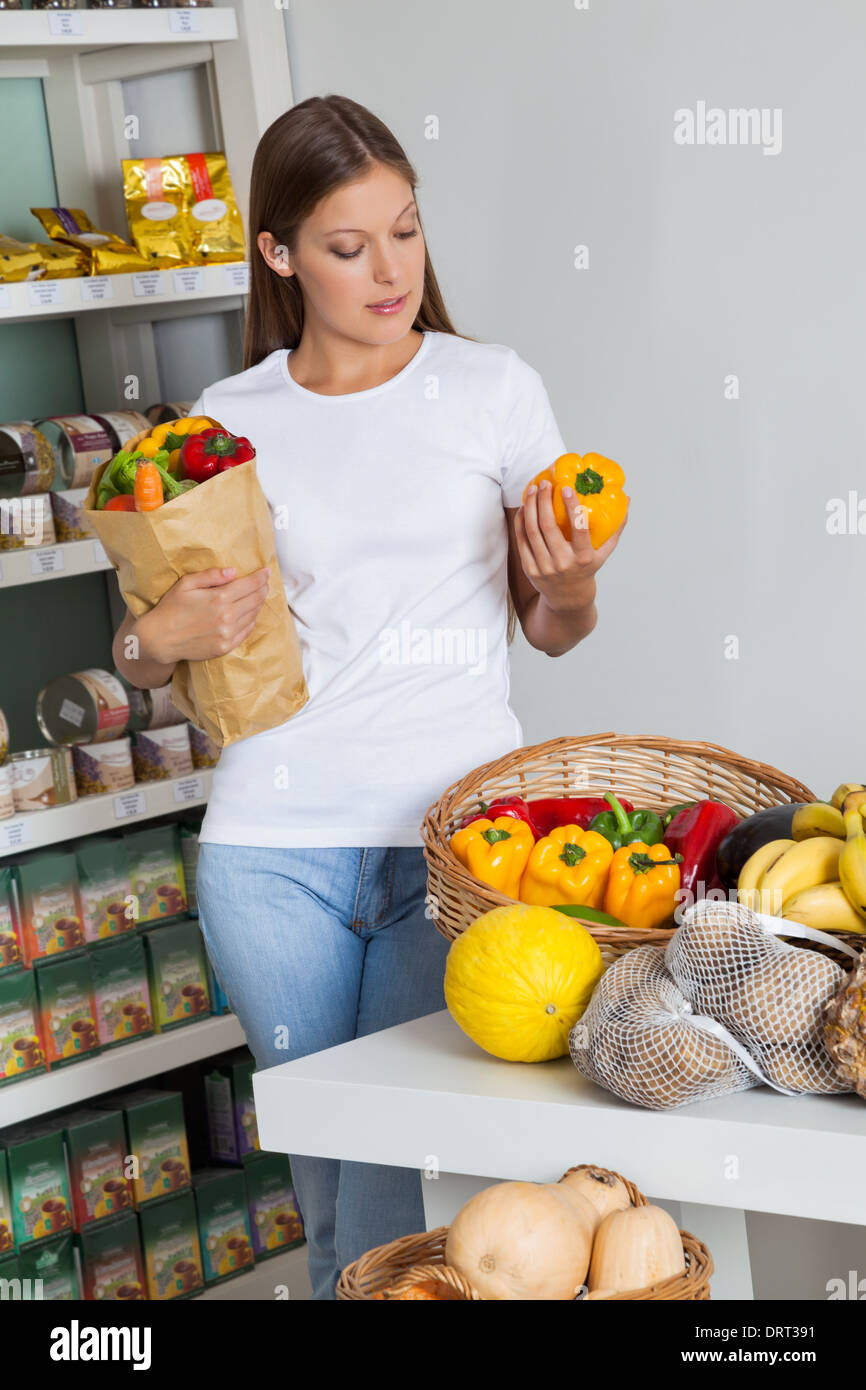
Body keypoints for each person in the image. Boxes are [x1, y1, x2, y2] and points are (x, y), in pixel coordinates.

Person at [112, 94, 627, 1300]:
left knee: (404, 1196)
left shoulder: (492, 390)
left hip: (446, 846)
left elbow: (551, 632)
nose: (389, 271)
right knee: (329, 1196)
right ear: (279, 254)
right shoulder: (228, 423)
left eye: (404, 231)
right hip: (269, 854)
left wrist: (576, 584)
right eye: (347, 248)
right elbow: (152, 657)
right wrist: (151, 636)